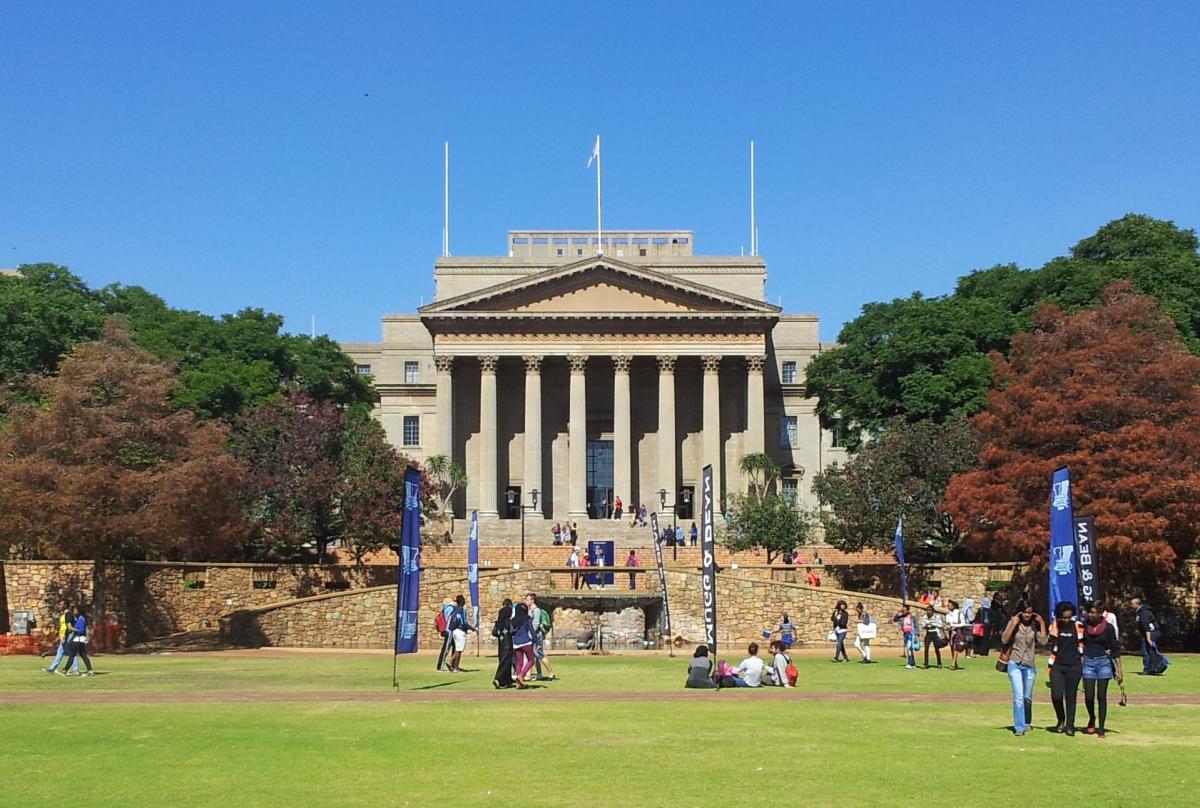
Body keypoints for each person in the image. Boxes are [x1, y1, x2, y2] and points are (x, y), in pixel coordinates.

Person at [1002, 604, 1047, 736]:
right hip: (1015, 662)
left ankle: (1027, 722)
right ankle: (1019, 727)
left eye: (1030, 612)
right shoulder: (1014, 622)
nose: (1027, 615)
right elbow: (1004, 639)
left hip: (1029, 664)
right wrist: (1013, 624)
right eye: (1025, 612)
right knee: (1018, 696)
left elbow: (1043, 642)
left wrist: (1042, 623)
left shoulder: (1034, 626)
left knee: (1027, 697)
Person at [1082, 601, 1124, 737]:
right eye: (1089, 612)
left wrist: (1119, 670)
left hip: (1103, 663)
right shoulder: (1085, 625)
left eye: (1093, 612)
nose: (1090, 615)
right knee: (1089, 696)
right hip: (1088, 662)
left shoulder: (1108, 628)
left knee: (1101, 696)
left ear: (1100, 613)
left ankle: (1101, 728)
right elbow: (1080, 642)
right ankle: (1092, 718)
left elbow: (1115, 649)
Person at [1047, 600, 1084, 735]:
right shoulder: (1055, 627)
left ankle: (1070, 725)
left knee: (1071, 696)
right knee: (1056, 695)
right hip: (1057, 665)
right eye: (1064, 617)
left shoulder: (1078, 626)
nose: (1067, 620)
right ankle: (1061, 719)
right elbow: (1048, 639)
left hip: (1074, 665)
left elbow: (1085, 642)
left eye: (1069, 617)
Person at [54, 605, 95, 677]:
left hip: (78, 639)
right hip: (80, 639)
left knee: (72, 655)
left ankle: (64, 671)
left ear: (78, 611)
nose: (74, 611)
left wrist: (72, 629)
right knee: (83, 655)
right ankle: (90, 671)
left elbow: (81, 630)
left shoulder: (81, 619)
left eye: (75, 610)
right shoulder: (79, 618)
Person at [42, 599, 79, 675]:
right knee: (60, 652)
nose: (59, 606)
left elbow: (69, 627)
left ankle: (76, 670)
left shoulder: (68, 614)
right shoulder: (64, 614)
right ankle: (52, 669)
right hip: (63, 635)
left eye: (60, 605)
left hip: (68, 635)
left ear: (65, 605)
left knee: (71, 652)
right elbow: (63, 627)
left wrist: (65, 636)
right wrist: (60, 636)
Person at [526, 592, 557, 681]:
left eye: (527, 600)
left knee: (539, 653)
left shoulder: (536, 610)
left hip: (536, 635)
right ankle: (537, 674)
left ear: (532, 600)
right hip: (534, 635)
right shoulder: (531, 610)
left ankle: (551, 672)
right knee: (533, 654)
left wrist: (530, 634)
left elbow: (535, 624)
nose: (526, 601)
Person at [1131, 597, 1163, 675]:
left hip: (1152, 633)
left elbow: (1147, 626)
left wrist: (1148, 638)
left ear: (1137, 604)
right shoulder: (1140, 612)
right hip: (1149, 633)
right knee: (1149, 651)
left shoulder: (1144, 612)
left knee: (1146, 651)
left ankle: (1149, 669)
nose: (1131, 606)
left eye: (1132, 604)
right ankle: (1152, 668)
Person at [445, 594, 475, 673]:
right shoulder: (462, 610)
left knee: (458, 649)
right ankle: (455, 668)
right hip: (460, 631)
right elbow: (464, 622)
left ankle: (451, 662)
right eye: (464, 600)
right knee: (459, 650)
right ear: (462, 602)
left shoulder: (455, 609)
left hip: (454, 631)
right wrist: (471, 628)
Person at [509, 602, 536, 688]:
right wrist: (536, 640)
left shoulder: (513, 620)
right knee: (531, 659)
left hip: (516, 643)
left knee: (519, 661)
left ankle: (518, 683)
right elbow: (531, 630)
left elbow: (511, 632)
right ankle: (521, 675)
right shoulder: (527, 618)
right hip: (526, 641)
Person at [491, 598, 515, 689]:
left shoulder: (498, 622)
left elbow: (494, 633)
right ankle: (498, 679)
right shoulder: (508, 621)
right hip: (507, 642)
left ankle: (507, 680)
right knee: (505, 661)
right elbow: (512, 631)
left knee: (504, 661)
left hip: (501, 643)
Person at [893, 604, 917, 668]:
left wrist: (916, 634)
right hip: (906, 634)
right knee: (909, 649)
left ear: (908, 610)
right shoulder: (902, 617)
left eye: (904, 611)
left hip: (911, 634)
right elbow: (895, 619)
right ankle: (913, 664)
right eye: (902, 611)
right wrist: (898, 612)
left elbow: (916, 626)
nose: (903, 612)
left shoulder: (912, 617)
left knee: (909, 648)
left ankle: (909, 663)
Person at [945, 599, 966, 670]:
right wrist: (948, 627)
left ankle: (953, 663)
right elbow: (948, 624)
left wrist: (956, 626)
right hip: (951, 631)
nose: (948, 606)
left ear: (954, 606)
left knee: (956, 646)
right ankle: (955, 662)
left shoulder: (959, 613)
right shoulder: (948, 614)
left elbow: (963, 623)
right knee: (952, 646)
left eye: (950, 605)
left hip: (958, 631)